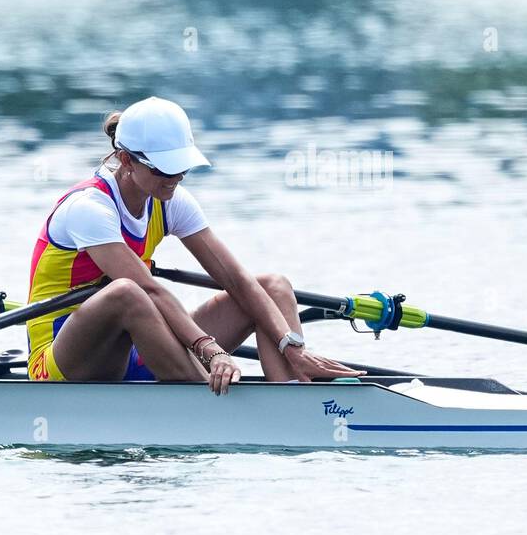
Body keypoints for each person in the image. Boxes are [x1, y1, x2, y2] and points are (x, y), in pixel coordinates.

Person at [26, 96, 363, 393]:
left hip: (133, 347)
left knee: (271, 286)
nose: (175, 178)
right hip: (62, 360)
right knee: (126, 292)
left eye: (181, 166)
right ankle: (206, 398)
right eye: (164, 168)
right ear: (126, 160)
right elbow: (150, 292)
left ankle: (290, 392)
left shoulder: (169, 199)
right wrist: (212, 351)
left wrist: (291, 346)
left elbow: (235, 279)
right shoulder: (88, 208)